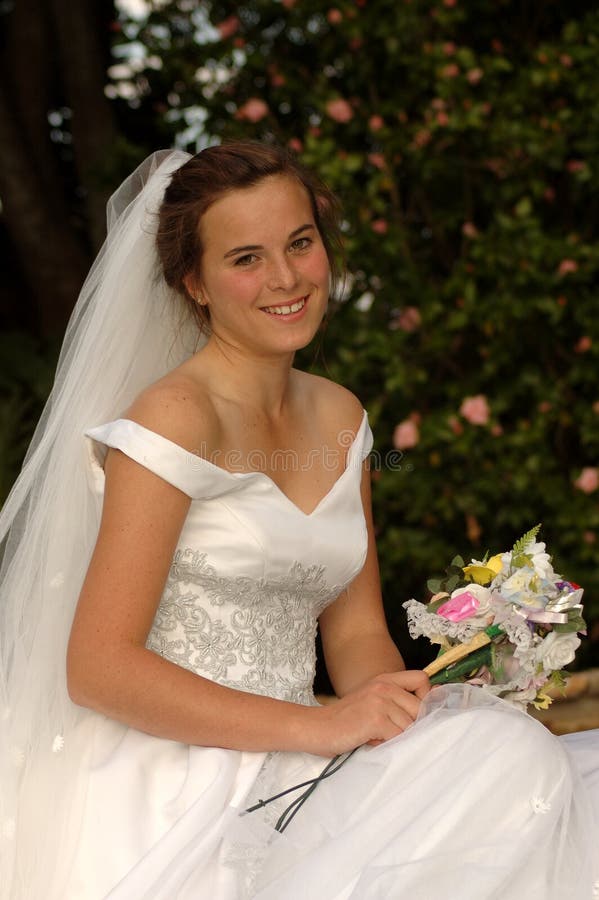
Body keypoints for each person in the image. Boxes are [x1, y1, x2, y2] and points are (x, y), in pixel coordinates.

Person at [0, 141, 597, 900]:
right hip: (171, 768)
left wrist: (415, 701)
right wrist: (324, 726)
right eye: (245, 258)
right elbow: (97, 669)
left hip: (308, 751)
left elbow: (351, 637)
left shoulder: (340, 414)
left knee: (504, 759)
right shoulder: (175, 416)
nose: (284, 279)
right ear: (196, 283)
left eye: (300, 243)